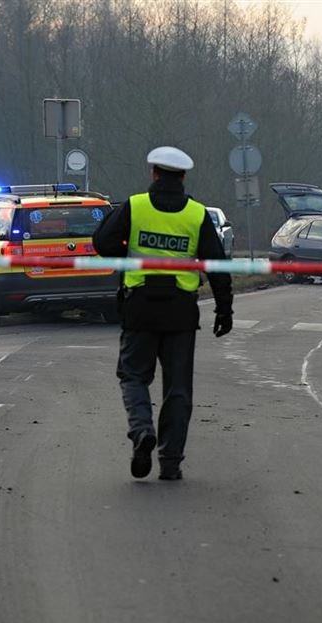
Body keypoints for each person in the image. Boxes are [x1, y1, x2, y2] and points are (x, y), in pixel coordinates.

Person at [92, 146, 233, 481]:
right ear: (183, 177)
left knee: (133, 376)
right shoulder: (197, 215)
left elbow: (102, 243)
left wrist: (128, 247)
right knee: (178, 389)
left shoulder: (135, 206)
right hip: (181, 312)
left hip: (140, 305)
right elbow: (217, 265)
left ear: (153, 173)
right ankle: (171, 462)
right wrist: (224, 308)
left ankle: (142, 430)